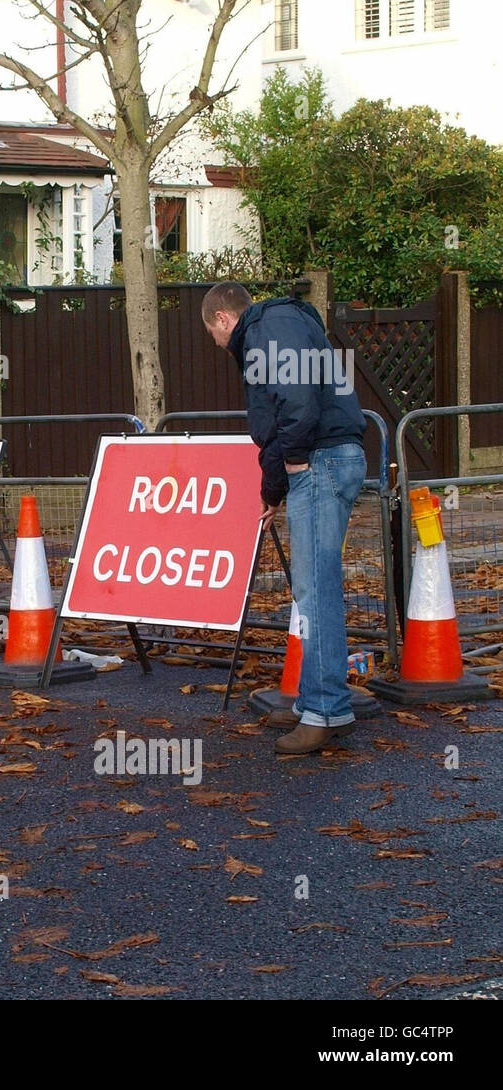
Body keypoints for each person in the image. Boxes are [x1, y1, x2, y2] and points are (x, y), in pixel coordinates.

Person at [202, 283, 368, 755]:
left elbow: (295, 402)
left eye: (211, 333)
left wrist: (294, 461)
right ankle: (315, 702)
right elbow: (280, 414)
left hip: (320, 461)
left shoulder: (266, 328)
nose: (216, 345)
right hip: (324, 460)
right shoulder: (282, 326)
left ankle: (325, 711)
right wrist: (274, 488)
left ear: (221, 318)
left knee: (316, 592)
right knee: (313, 589)